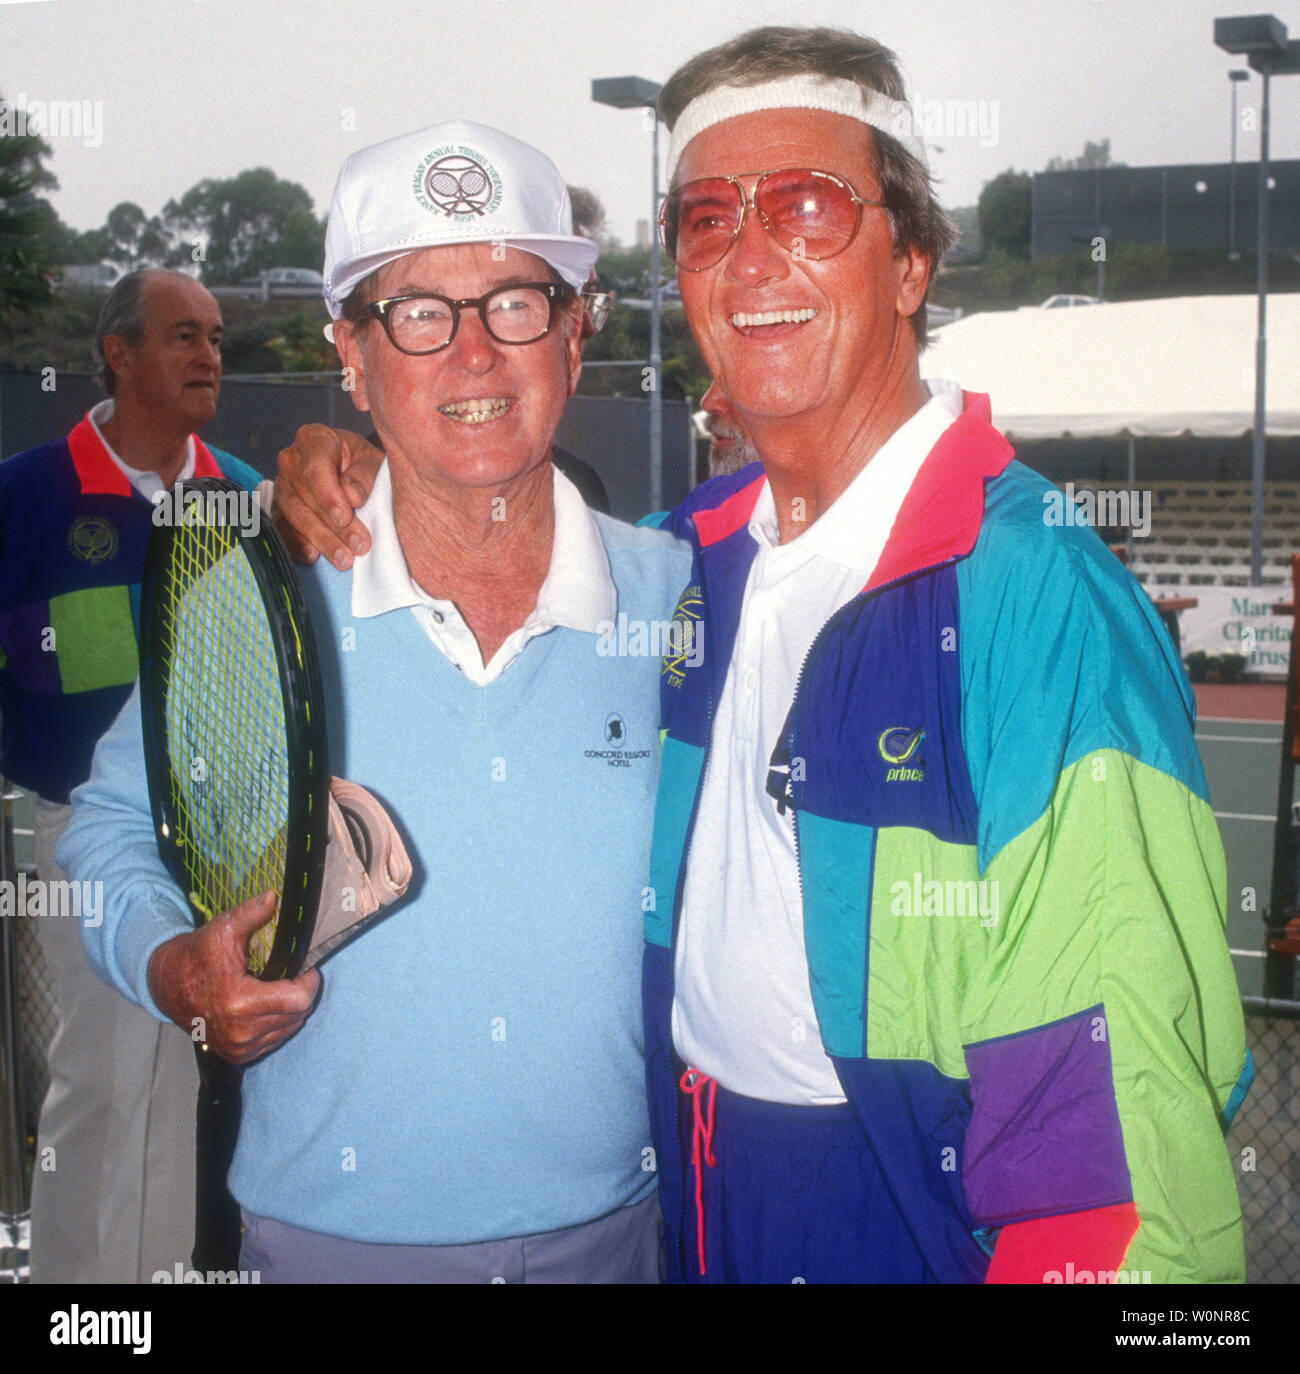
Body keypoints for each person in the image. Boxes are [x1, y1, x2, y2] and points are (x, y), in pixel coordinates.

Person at [278, 28, 1250, 1287]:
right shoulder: (688, 565)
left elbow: (1114, 1159)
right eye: (704, 218)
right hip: (687, 1202)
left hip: (907, 1220)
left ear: (910, 260)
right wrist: (352, 465)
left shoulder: (1036, 598)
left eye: (805, 206)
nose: (750, 258)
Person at [60, 120, 688, 1283]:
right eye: (417, 313)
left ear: (577, 332)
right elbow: (103, 830)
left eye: (516, 301)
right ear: (350, 357)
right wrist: (174, 972)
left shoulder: (683, 596)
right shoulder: (255, 603)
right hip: (319, 1247)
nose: (474, 354)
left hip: (628, 1239)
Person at [0, 268, 261, 1283]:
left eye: (217, 339)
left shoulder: (236, 496)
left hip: (218, 845)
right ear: (118, 352)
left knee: (179, 1090)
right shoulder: (26, 495)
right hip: (79, 832)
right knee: (106, 1080)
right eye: (184, 336)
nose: (209, 358)